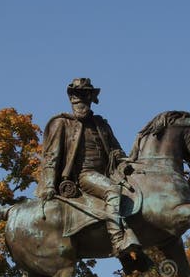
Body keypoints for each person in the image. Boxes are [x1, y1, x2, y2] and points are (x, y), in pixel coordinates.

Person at [37, 78, 142, 262]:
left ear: (91, 98)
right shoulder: (62, 123)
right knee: (112, 191)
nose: (80, 100)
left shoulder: (101, 124)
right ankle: (118, 241)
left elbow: (116, 150)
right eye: (76, 95)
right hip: (83, 175)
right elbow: (51, 156)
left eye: (85, 95)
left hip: (108, 174)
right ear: (71, 99)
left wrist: (124, 163)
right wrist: (48, 185)